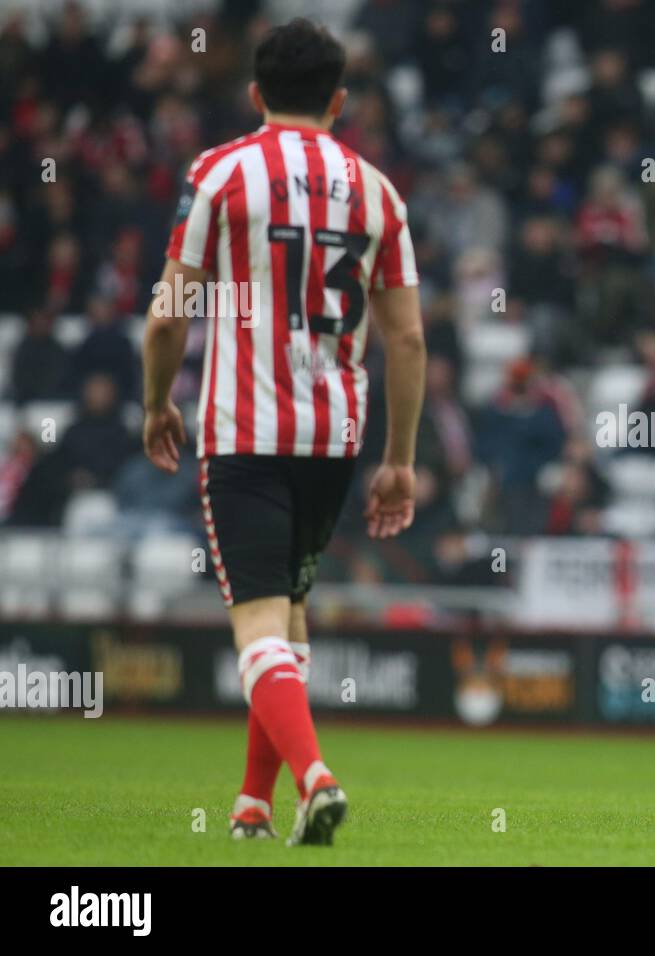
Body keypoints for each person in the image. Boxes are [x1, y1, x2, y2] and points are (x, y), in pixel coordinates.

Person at [140, 19, 425, 846]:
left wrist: (157, 402)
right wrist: (399, 461)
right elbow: (405, 338)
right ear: (339, 101)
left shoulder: (220, 173)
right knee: (291, 617)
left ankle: (317, 778)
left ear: (256, 95)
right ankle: (251, 808)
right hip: (333, 440)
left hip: (244, 434)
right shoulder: (379, 191)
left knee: (256, 627)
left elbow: (168, 316)